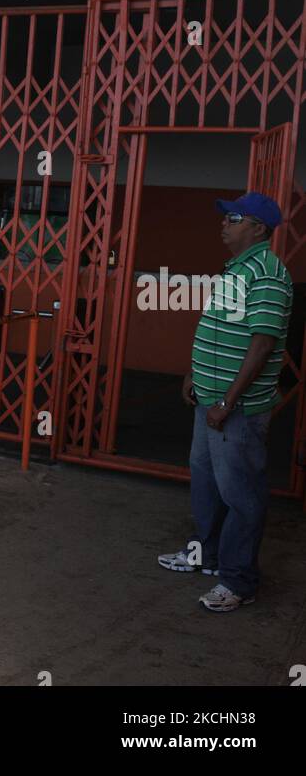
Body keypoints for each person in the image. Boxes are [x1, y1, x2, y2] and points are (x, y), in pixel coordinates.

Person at [158, 192, 293, 612]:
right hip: (210, 399)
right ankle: (207, 556)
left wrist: (228, 402)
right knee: (207, 481)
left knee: (241, 495)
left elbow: (263, 342)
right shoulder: (237, 268)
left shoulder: (267, 274)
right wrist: (195, 373)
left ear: (259, 229)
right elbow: (220, 331)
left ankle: (238, 581)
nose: (224, 223)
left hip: (234, 410)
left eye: (234, 218)